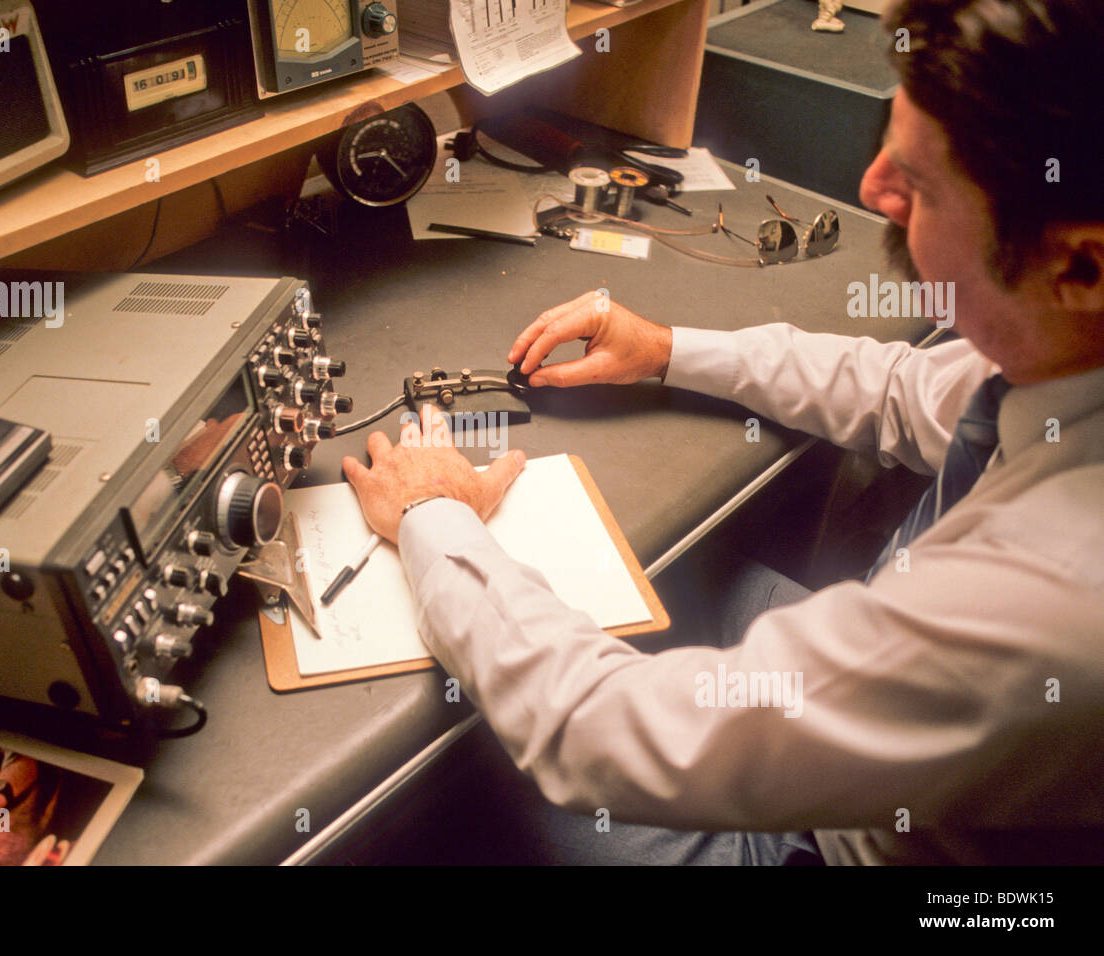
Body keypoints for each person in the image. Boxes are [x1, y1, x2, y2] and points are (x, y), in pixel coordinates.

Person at [340, 0, 1104, 864]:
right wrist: (667, 350)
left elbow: (597, 729)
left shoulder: (1047, 608)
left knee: (462, 758)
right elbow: (900, 389)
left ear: (1078, 264)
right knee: (681, 588)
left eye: (919, 184)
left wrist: (434, 515)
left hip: (815, 842)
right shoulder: (1070, 359)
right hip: (890, 698)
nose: (872, 189)